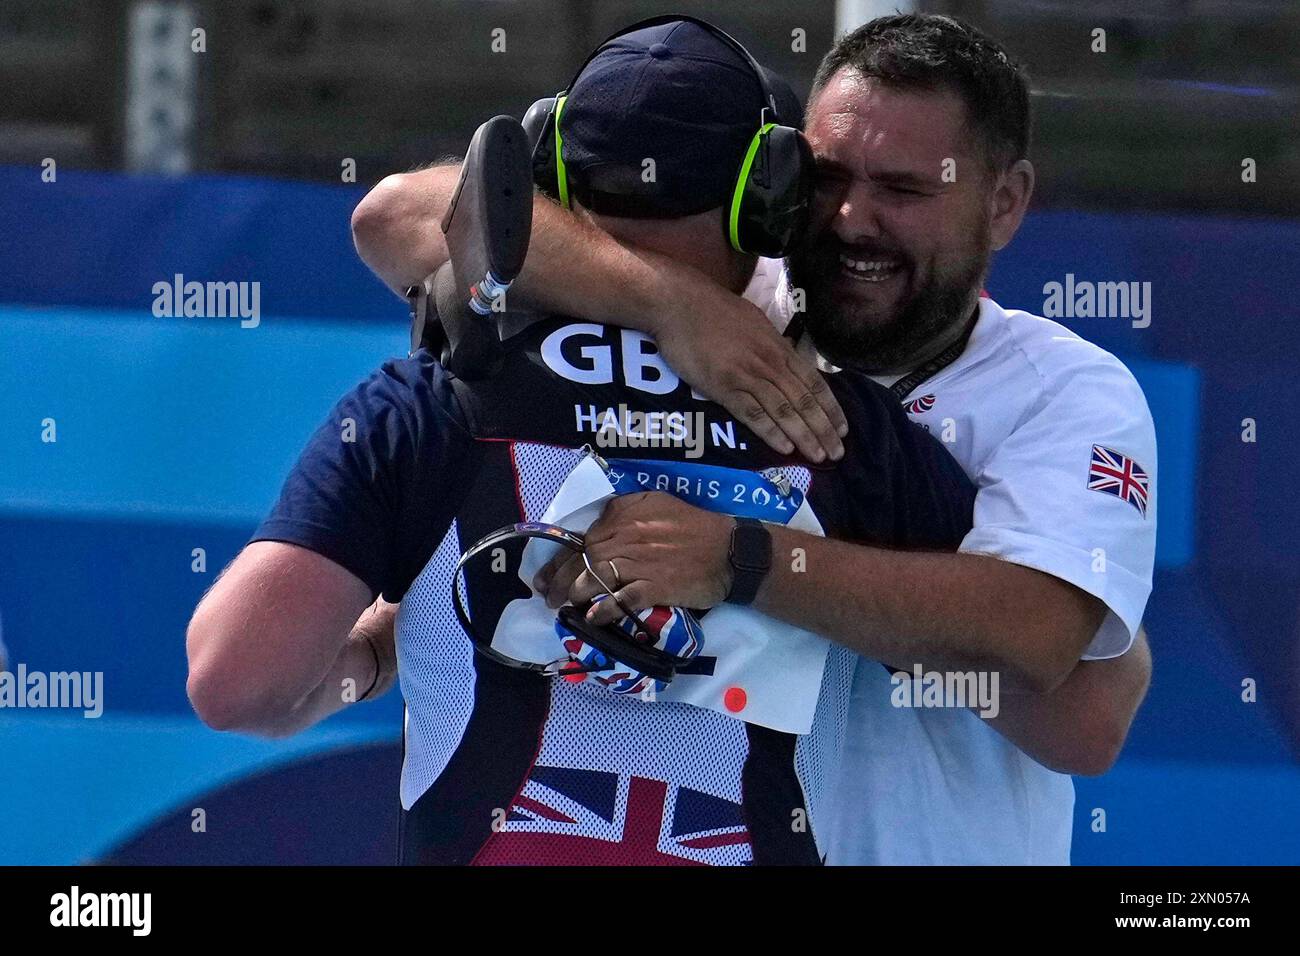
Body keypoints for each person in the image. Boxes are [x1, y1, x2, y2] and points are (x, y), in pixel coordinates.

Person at [353, 13, 1155, 864]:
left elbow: (1079, 708)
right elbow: (397, 218)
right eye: (829, 177)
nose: (851, 219)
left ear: (1005, 202)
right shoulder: (722, 285)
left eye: (905, 190)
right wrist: (675, 304)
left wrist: (748, 559)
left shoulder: (1068, 392)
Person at [186, 17, 978, 865]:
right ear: (771, 196)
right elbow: (1038, 668)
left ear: (545, 168)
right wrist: (765, 566)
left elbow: (239, 683)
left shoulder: (435, 403)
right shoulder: (838, 426)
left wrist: (378, 655)